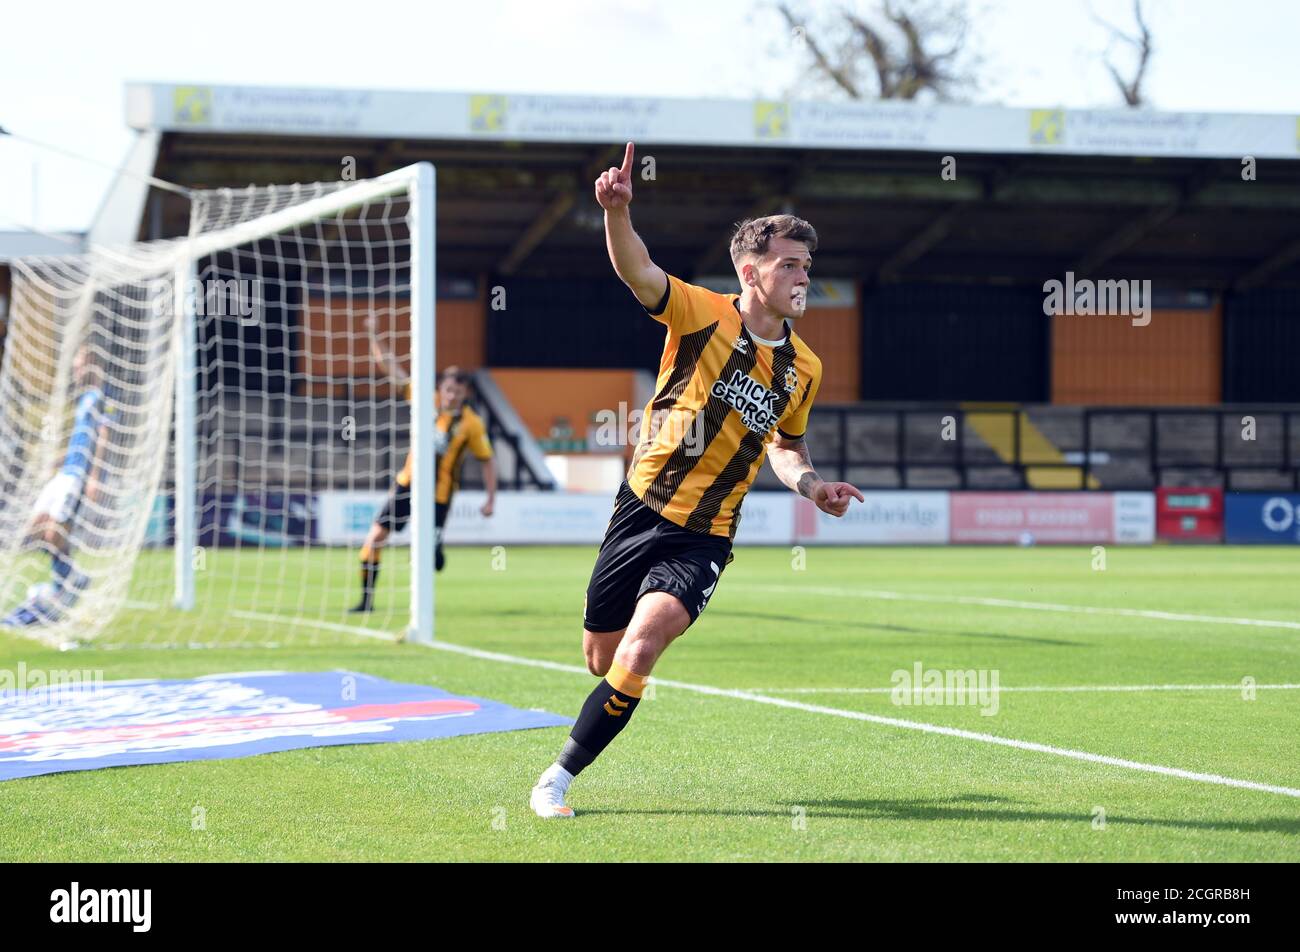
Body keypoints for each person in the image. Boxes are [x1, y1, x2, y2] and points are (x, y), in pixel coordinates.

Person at [529, 143, 864, 818]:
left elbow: (786, 448)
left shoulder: (805, 368)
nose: (803, 277)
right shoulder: (702, 312)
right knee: (601, 658)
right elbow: (638, 271)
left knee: (644, 644)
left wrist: (813, 487)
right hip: (641, 509)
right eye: (790, 265)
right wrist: (617, 213)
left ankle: (556, 779)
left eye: (808, 266)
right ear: (751, 270)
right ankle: (598, 698)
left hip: (705, 536)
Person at [350, 316, 497, 613]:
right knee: (375, 538)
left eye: (457, 392)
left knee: (425, 557)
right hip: (408, 483)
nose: (451, 396)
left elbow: (487, 460)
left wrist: (491, 498)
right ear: (440, 389)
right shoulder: (424, 400)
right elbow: (393, 370)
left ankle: (433, 554)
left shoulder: (472, 424)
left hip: (439, 495)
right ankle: (366, 602)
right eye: (447, 390)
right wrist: (375, 336)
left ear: (465, 393)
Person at [4, 344, 113, 627]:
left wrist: (94, 477)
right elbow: (82, 439)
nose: (77, 369)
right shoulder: (83, 400)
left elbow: (103, 434)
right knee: (37, 529)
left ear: (94, 366)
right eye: (76, 364)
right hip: (66, 472)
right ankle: (66, 579)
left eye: (82, 364)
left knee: (53, 533)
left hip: (78, 476)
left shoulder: (102, 397)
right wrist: (57, 461)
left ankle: (63, 583)